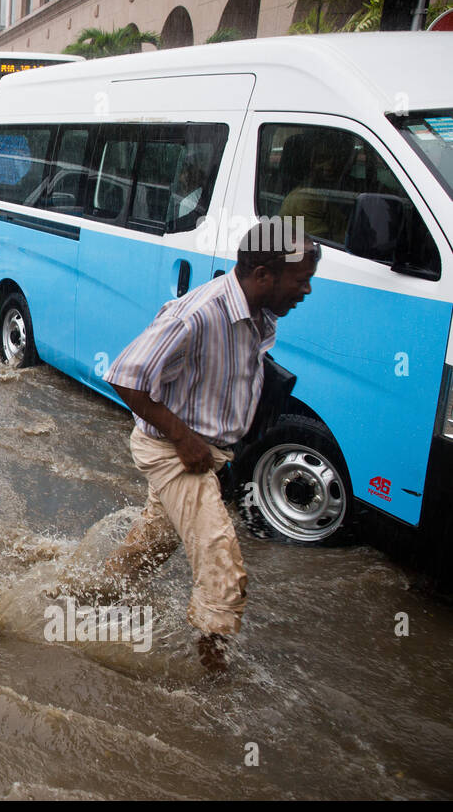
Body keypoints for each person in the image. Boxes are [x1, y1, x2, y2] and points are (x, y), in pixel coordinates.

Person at [102, 223, 320, 670]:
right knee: (224, 572)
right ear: (263, 275)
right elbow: (125, 376)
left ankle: (84, 598)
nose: (307, 290)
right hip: (173, 451)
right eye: (301, 280)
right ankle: (214, 690)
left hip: (208, 451)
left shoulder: (259, 313)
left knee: (147, 552)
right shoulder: (198, 313)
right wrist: (184, 439)